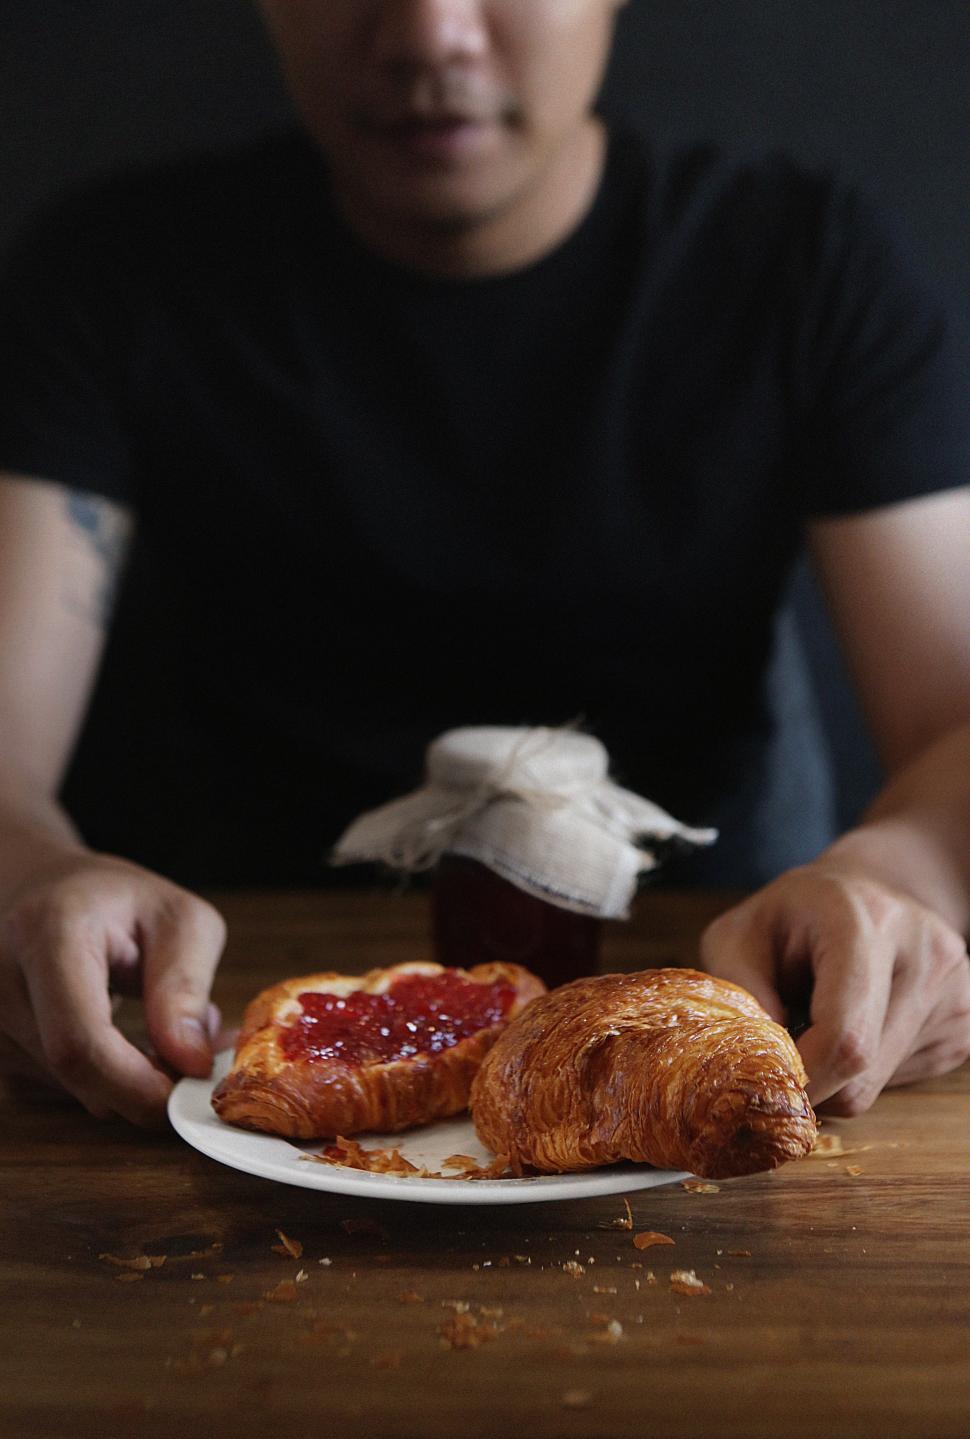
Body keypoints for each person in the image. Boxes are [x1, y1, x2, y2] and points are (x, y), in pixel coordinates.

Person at [0, 0, 968, 1130]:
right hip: (201, 1028)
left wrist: (903, 880)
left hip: (725, 979)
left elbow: (956, 719)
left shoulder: (803, 260)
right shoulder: (114, 274)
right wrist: (26, 881)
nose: (430, 36)